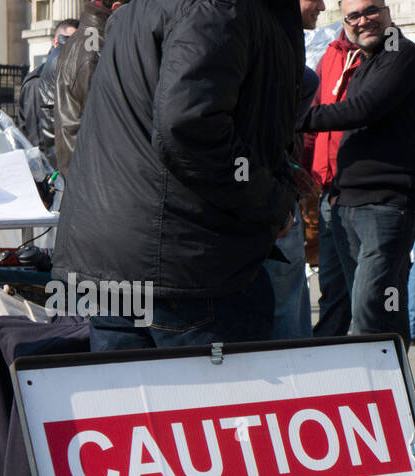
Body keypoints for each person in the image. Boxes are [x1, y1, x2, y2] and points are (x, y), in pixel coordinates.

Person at [54, 0, 304, 351]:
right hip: (187, 263)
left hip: (124, 259)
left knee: (128, 386)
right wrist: (271, 198)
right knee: (219, 389)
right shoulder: (215, 8)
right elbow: (190, 127)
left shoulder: (140, 10)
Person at [301, 0, 415, 344]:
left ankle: (379, 375)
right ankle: (391, 373)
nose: (363, 21)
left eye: (371, 11)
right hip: (344, 201)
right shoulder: (363, 60)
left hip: (385, 203)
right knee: (375, 307)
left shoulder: (401, 53)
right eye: (353, 16)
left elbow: (361, 109)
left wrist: (294, 118)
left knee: (370, 309)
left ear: (388, 11)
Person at [264, 0, 328, 341]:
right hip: (265, 197)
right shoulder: (270, 45)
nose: (322, 5)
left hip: (268, 189)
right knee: (284, 305)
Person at [304, 21, 363, 338]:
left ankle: (373, 352)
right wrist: (304, 172)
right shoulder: (330, 55)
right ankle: (329, 349)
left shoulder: (388, 55)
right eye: (353, 13)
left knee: (365, 287)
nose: (362, 20)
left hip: (364, 191)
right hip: (327, 189)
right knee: (332, 283)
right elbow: (312, 118)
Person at [53, 1, 128, 176]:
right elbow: (104, 122)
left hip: (82, 168)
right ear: (117, 8)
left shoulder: (83, 39)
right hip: (92, 172)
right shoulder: (96, 48)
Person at [17, 19, 79, 168]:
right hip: (49, 172)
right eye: (71, 41)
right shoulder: (36, 81)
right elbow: (36, 138)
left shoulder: (75, 77)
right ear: (56, 42)